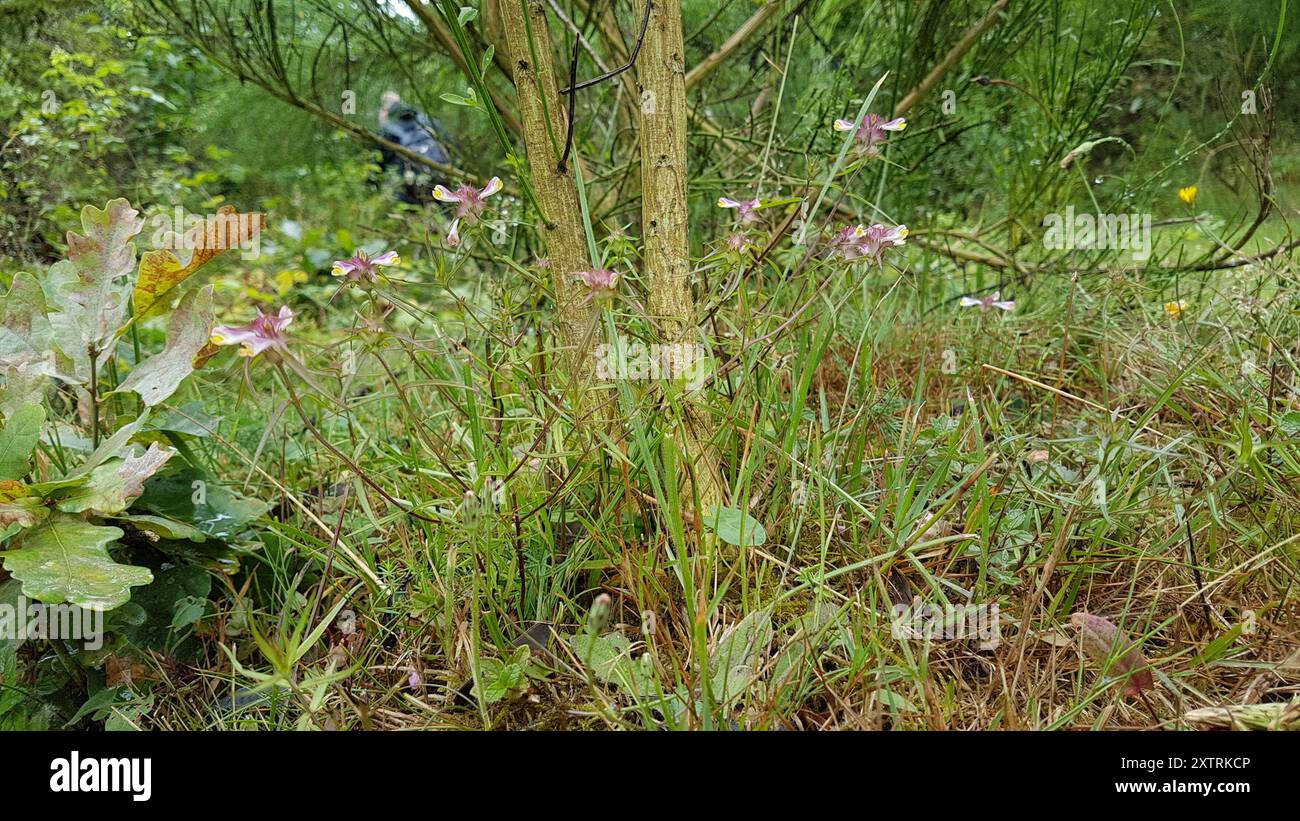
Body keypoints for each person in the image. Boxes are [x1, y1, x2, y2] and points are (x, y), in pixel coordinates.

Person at [377, 91, 454, 204]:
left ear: (385, 108)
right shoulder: (428, 120)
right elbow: (448, 142)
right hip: (441, 176)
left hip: (410, 187)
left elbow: (380, 162)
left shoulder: (388, 127)